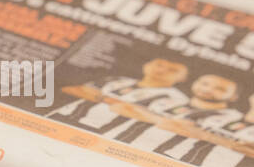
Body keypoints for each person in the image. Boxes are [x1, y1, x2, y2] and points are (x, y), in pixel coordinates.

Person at [47, 59, 190, 143]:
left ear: (182, 78)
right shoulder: (117, 80)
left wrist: (101, 97)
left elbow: (157, 120)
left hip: (104, 136)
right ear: (147, 65)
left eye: (172, 70)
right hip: (59, 120)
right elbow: (72, 89)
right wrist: (122, 105)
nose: (163, 70)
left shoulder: (178, 99)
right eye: (159, 64)